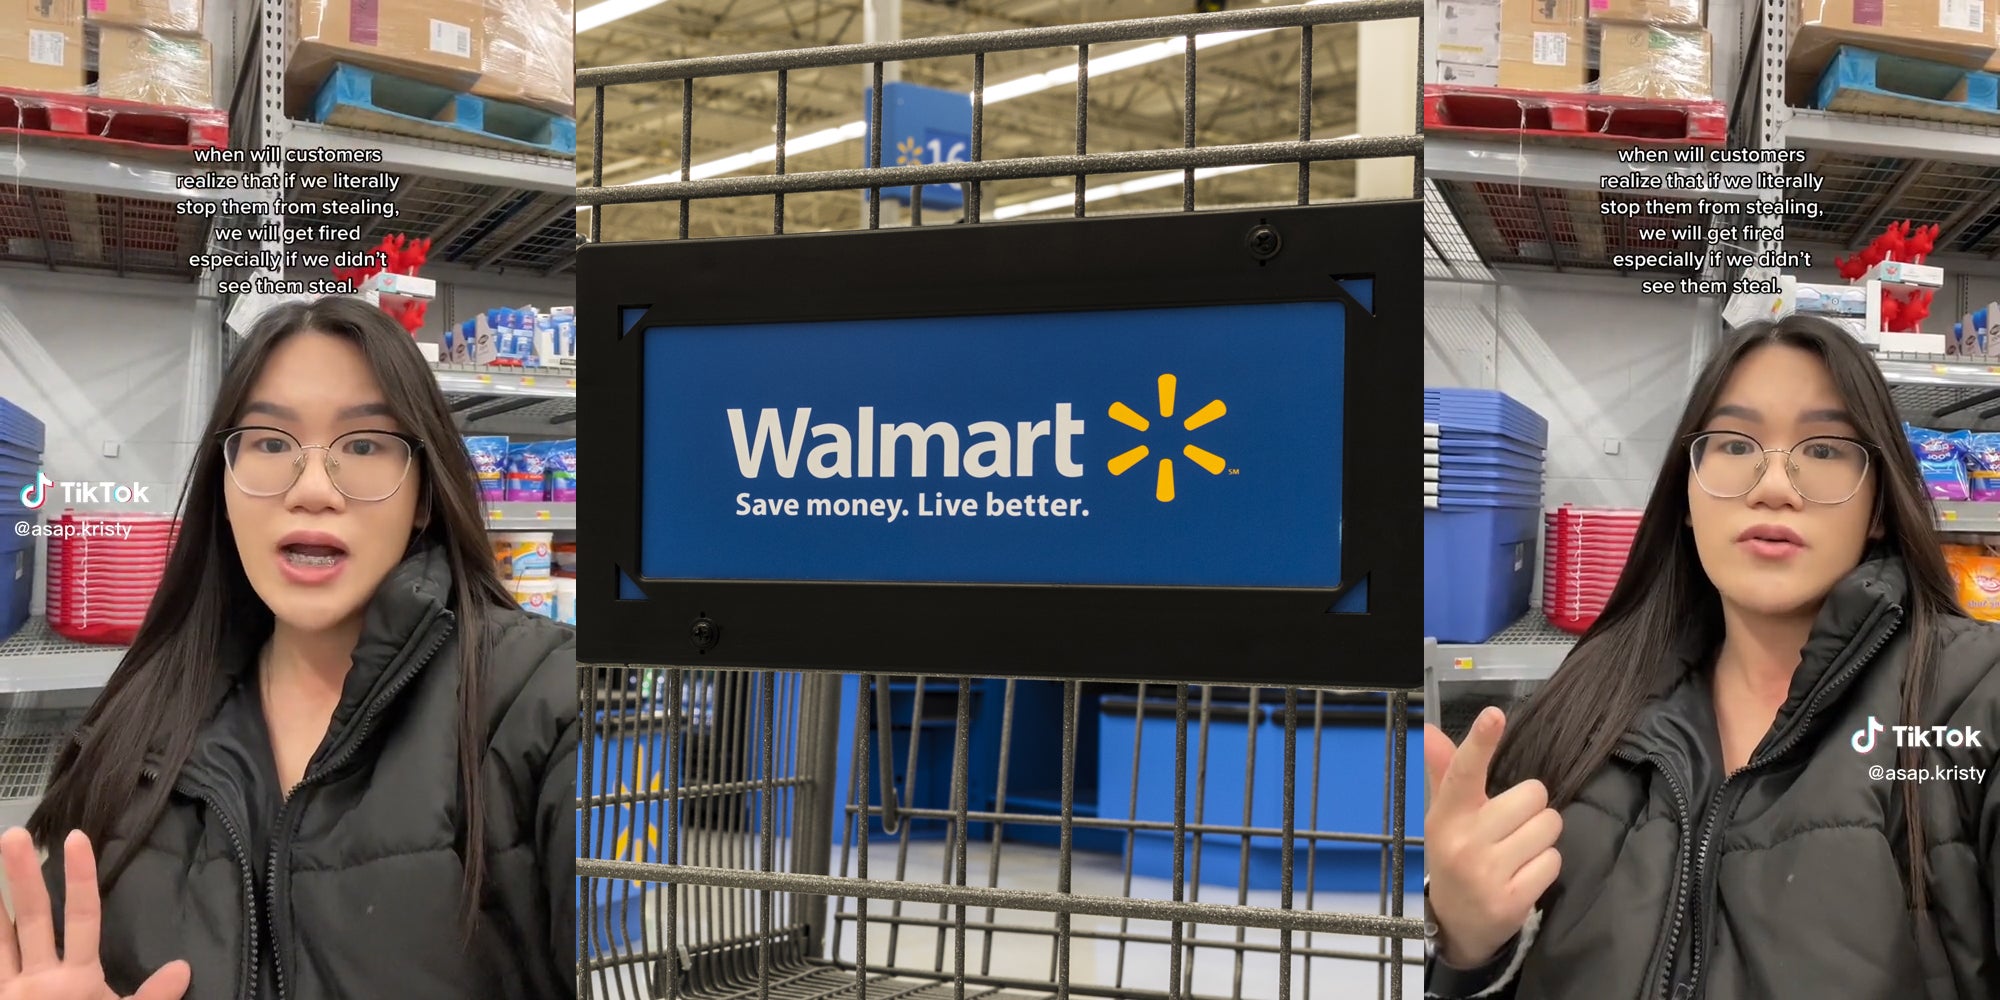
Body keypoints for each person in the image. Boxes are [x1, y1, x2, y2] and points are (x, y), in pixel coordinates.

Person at [3, 297, 575, 999]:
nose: (312, 489)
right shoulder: (134, 725)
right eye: (271, 443)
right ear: (224, 480)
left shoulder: (548, 704)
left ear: (424, 496)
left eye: (364, 445)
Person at [1423, 314, 2000, 999]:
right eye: (1734, 443)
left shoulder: (1972, 699)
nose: (1774, 485)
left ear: (1878, 506)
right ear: (1689, 495)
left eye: (1822, 450)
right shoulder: (1579, 712)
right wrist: (1466, 948)